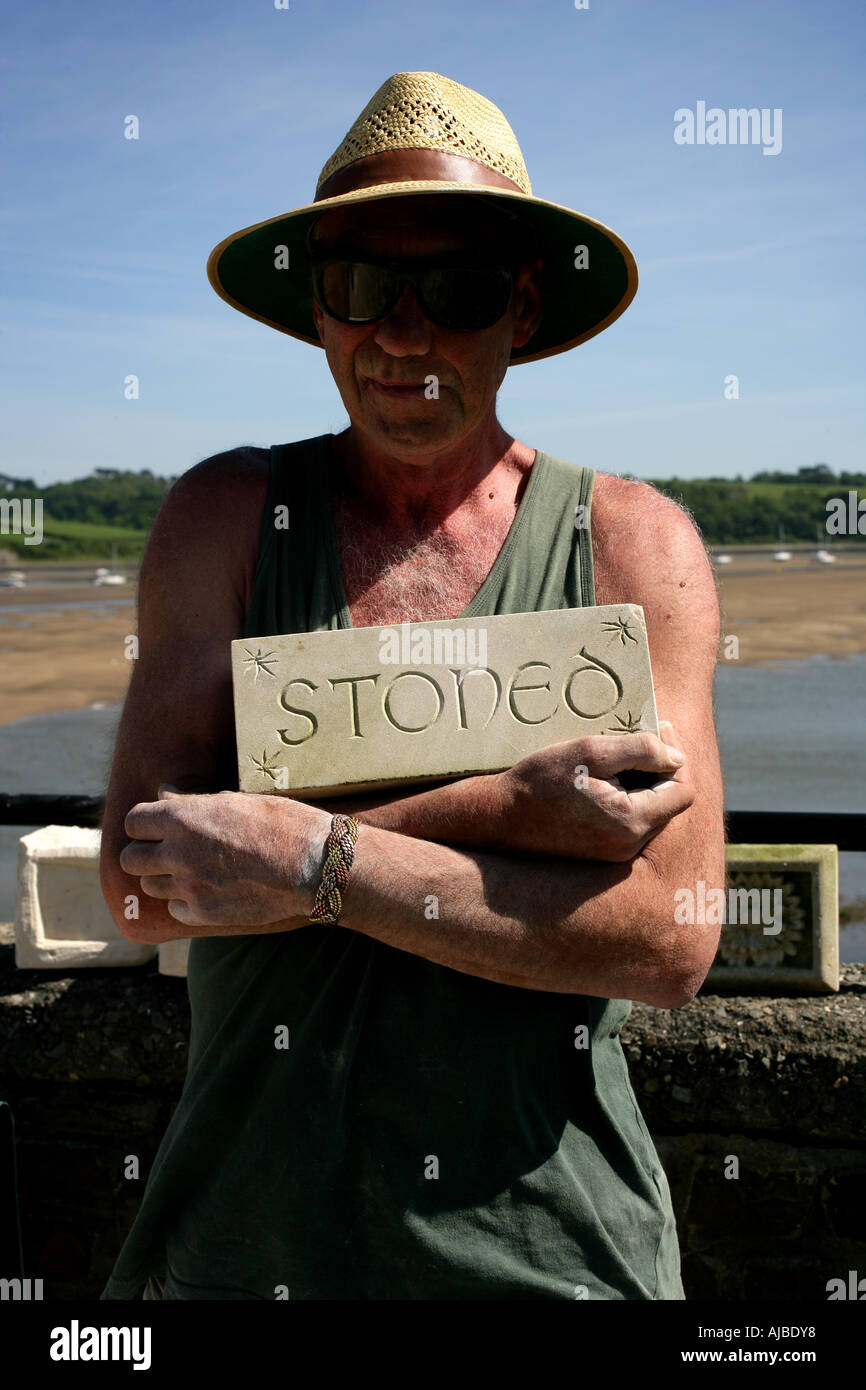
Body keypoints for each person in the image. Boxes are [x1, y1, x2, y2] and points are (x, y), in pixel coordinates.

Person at [99, 70, 724, 1301]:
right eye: (359, 287)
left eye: (454, 286)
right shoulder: (224, 518)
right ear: (319, 311)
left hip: (549, 1257)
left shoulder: (630, 542)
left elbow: (670, 939)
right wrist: (499, 811)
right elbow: (140, 886)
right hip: (240, 1247)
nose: (401, 332)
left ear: (522, 308)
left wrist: (299, 859)